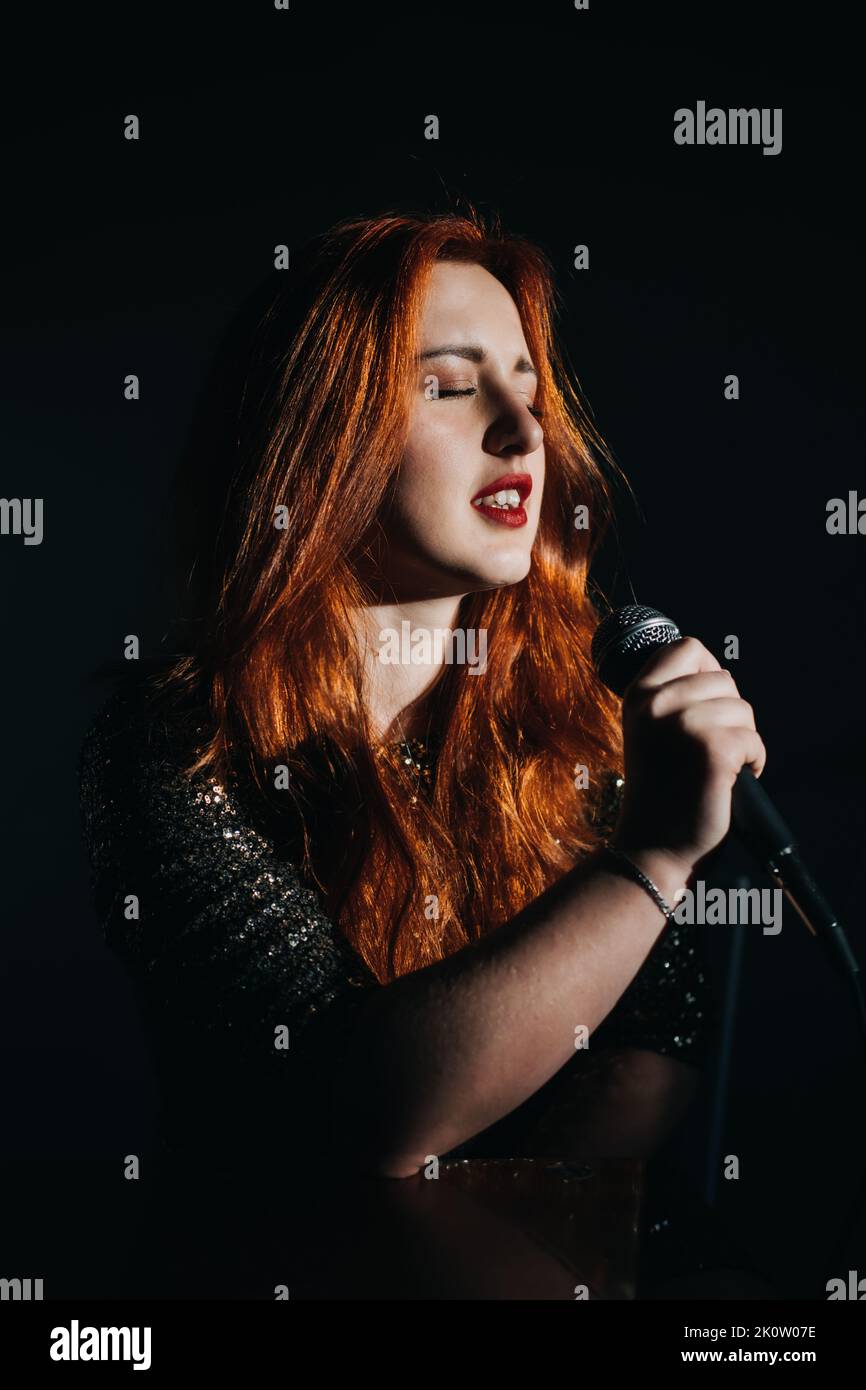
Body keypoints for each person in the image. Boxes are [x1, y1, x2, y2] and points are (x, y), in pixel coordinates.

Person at [78, 206, 768, 1296]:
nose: (523, 432)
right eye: (449, 387)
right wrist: (653, 859)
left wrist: (506, 1238)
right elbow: (363, 1107)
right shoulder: (181, 744)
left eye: (528, 390)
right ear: (318, 434)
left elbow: (656, 1043)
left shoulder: (583, 717)